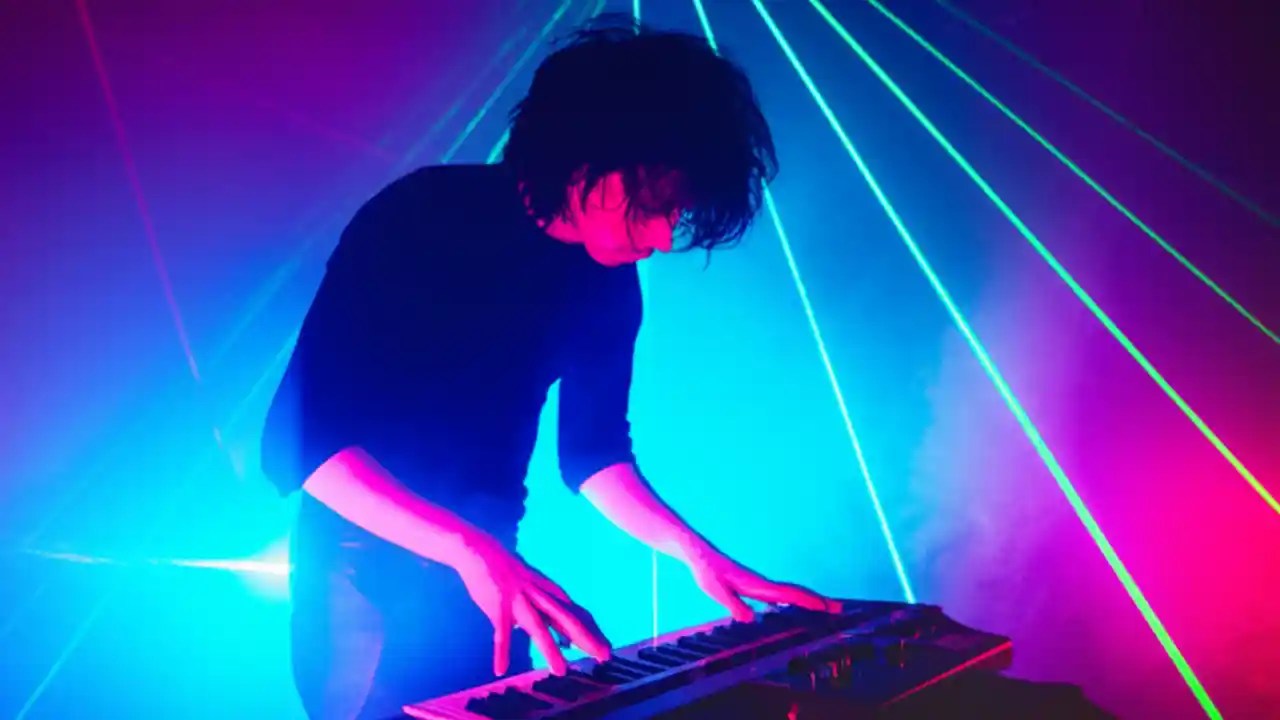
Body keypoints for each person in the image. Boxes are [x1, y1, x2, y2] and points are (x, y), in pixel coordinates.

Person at [260, 15, 840, 720]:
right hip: (362, 569)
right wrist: (467, 549)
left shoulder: (607, 281)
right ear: (587, 156)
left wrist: (699, 556)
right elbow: (298, 445)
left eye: (675, 215)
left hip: (492, 568)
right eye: (654, 207)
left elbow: (594, 456)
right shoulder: (416, 218)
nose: (661, 238)